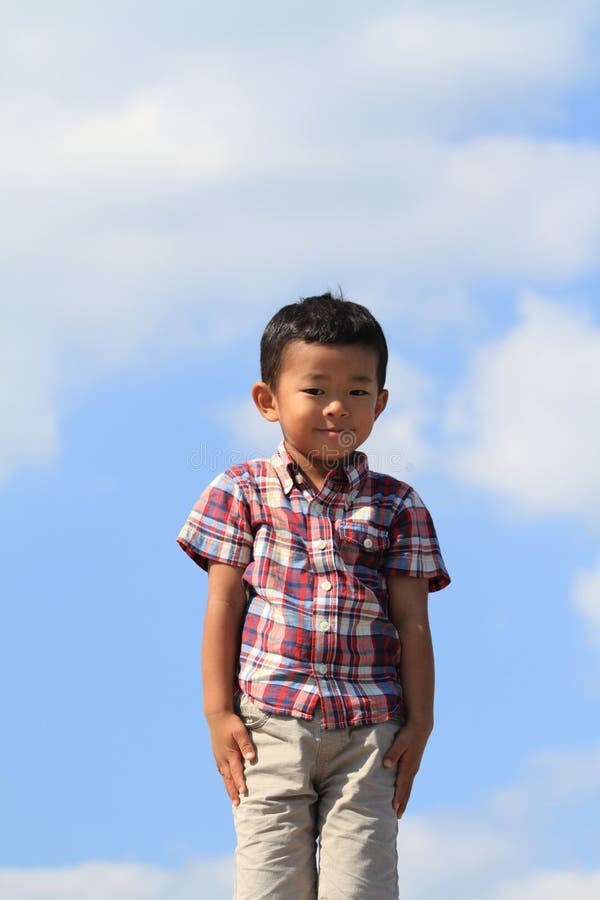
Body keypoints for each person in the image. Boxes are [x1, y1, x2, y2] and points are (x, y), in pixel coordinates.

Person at [176, 292, 451, 899]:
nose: (336, 408)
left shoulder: (399, 504)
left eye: (357, 392)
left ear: (380, 402)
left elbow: (414, 621)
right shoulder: (240, 491)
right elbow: (223, 605)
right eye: (314, 389)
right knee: (269, 888)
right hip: (268, 726)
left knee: (362, 891)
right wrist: (218, 713)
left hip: (371, 734)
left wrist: (421, 720)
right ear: (267, 401)